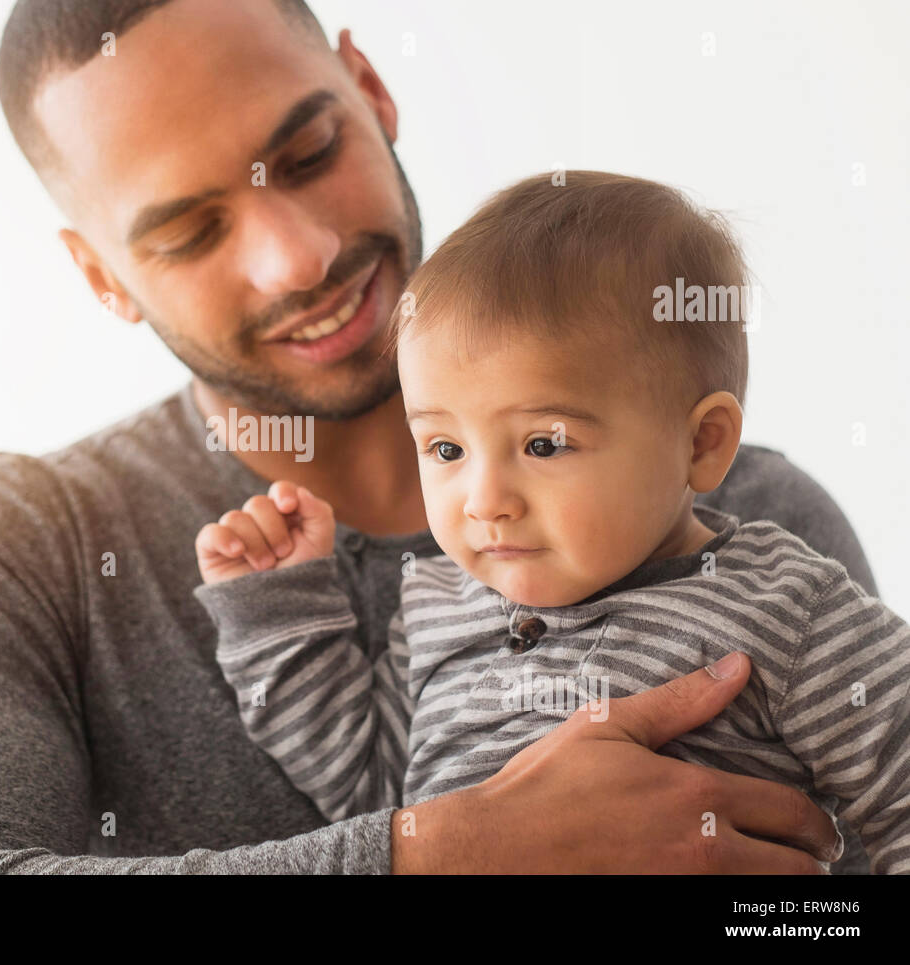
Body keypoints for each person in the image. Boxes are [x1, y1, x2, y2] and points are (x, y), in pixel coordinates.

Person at [0, 0, 873, 873]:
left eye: (307, 153)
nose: (298, 256)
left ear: (372, 91)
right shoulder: (15, 548)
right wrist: (444, 856)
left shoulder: (755, 518)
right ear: (100, 276)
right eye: (189, 232)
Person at [194, 171, 910, 874]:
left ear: (702, 443)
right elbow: (365, 787)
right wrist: (277, 606)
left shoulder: (786, 606)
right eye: (445, 448)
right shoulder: (437, 609)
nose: (484, 498)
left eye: (543, 444)